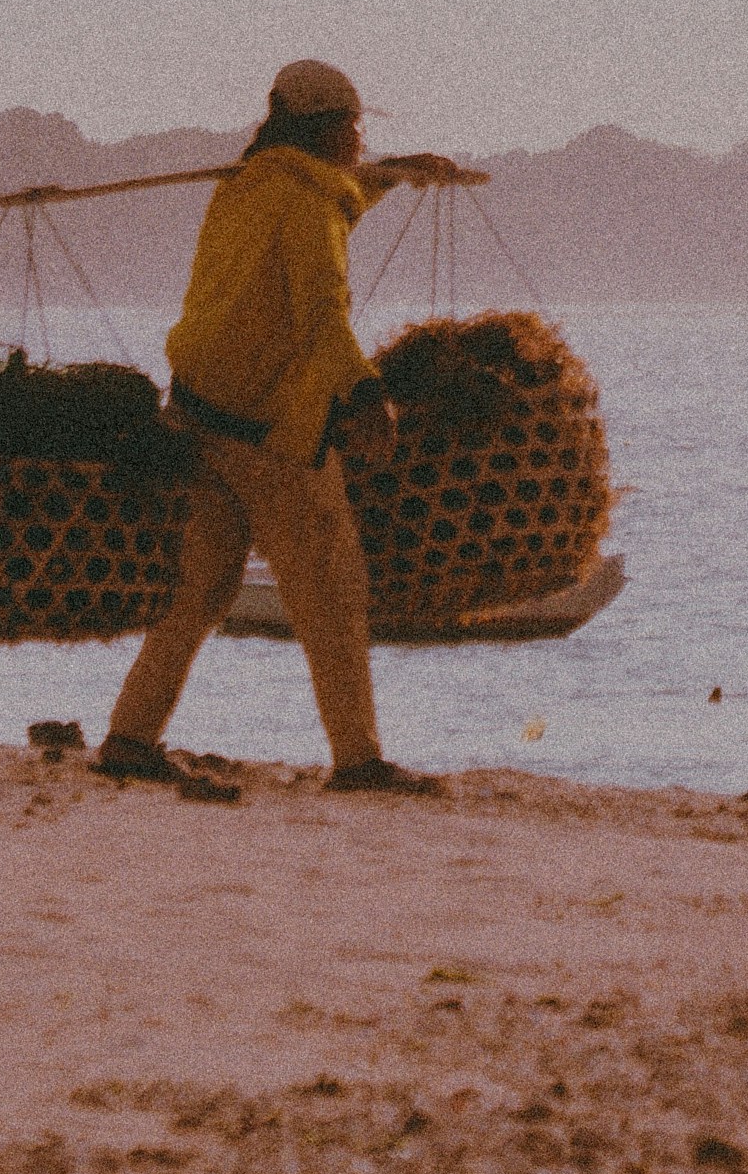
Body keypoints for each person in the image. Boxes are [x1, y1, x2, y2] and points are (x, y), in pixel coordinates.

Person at [98, 59, 473, 798]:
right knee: (333, 592)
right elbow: (323, 316)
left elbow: (335, 200)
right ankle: (359, 759)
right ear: (330, 127)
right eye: (358, 129)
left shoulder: (249, 188)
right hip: (267, 432)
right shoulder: (306, 205)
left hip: (196, 412)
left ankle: (129, 738)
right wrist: (366, 394)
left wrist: (392, 175)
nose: (361, 142)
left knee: (199, 590)